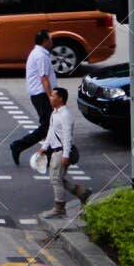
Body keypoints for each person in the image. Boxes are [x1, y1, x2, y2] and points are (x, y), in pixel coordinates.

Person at [39, 87, 93, 220]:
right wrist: (44, 147)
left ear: (60, 99)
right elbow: (51, 132)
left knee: (56, 179)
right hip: (56, 151)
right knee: (57, 179)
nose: (50, 97)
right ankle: (82, 193)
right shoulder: (55, 113)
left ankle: (59, 208)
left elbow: (68, 136)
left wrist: (66, 155)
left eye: (53, 95)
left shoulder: (65, 115)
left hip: (61, 151)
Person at [8, 30, 58, 166]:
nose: (52, 42)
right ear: (45, 41)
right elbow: (44, 78)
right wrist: (51, 97)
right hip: (41, 95)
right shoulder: (41, 56)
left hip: (39, 94)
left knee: (50, 126)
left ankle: (48, 156)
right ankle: (18, 145)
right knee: (47, 126)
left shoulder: (38, 53)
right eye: (51, 39)